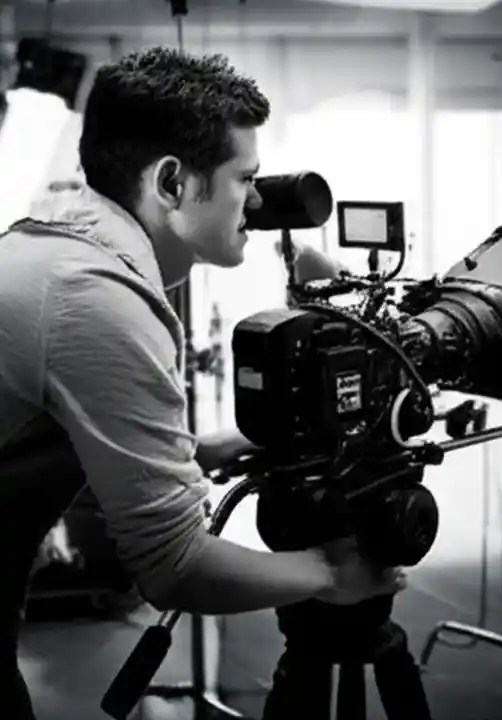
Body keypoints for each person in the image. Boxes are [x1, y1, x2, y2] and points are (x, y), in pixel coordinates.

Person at [0, 47, 405, 719]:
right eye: (244, 177)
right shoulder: (97, 300)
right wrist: (333, 576)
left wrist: (190, 450)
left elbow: (55, 428)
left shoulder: (49, 250)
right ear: (171, 183)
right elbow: (175, 567)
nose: (257, 199)